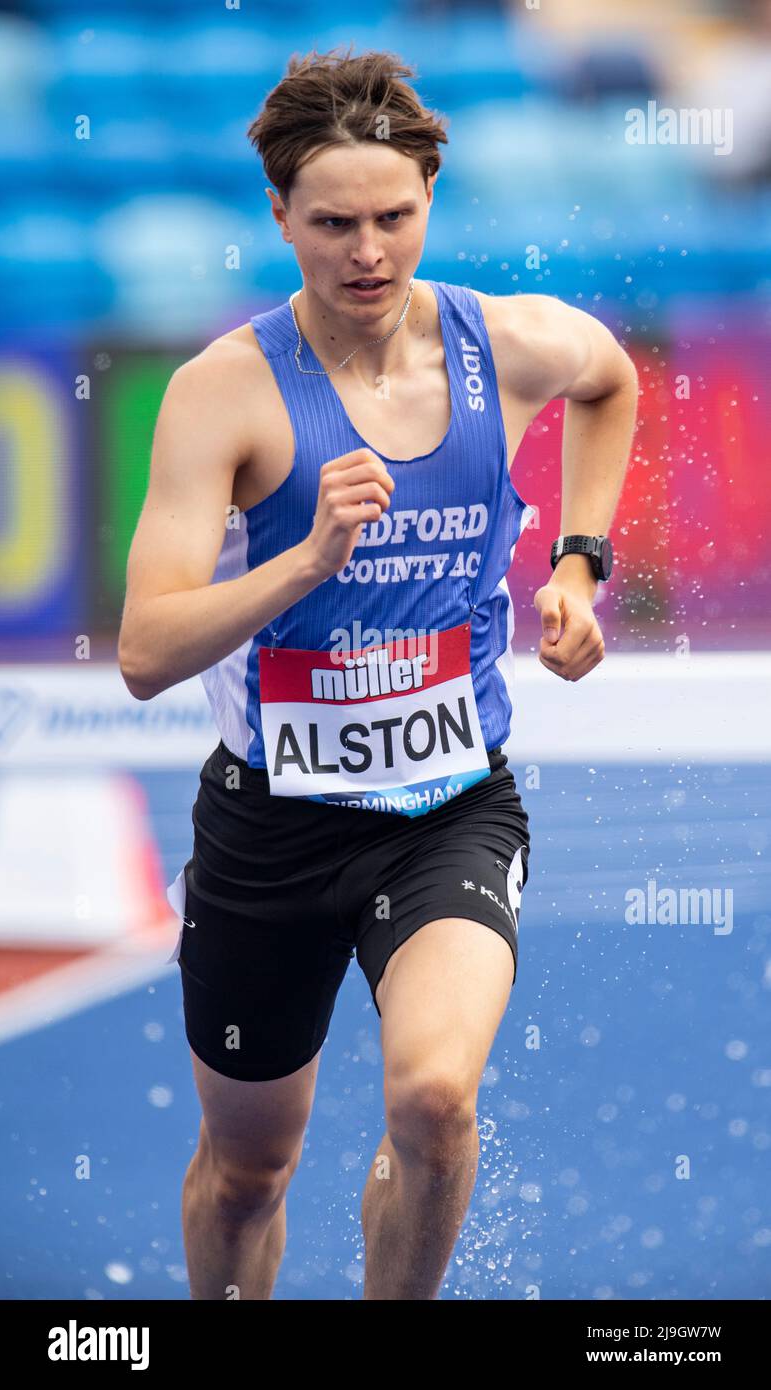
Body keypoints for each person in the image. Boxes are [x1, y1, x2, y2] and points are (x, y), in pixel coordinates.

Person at [118, 46, 638, 1300]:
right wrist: (302, 561)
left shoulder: (501, 345)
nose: (367, 253)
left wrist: (575, 567)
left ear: (427, 204)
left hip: (447, 808)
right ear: (280, 215)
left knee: (432, 1095)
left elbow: (609, 380)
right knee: (249, 1171)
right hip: (269, 830)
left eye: (394, 218)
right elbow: (145, 651)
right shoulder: (222, 396)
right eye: (333, 223)